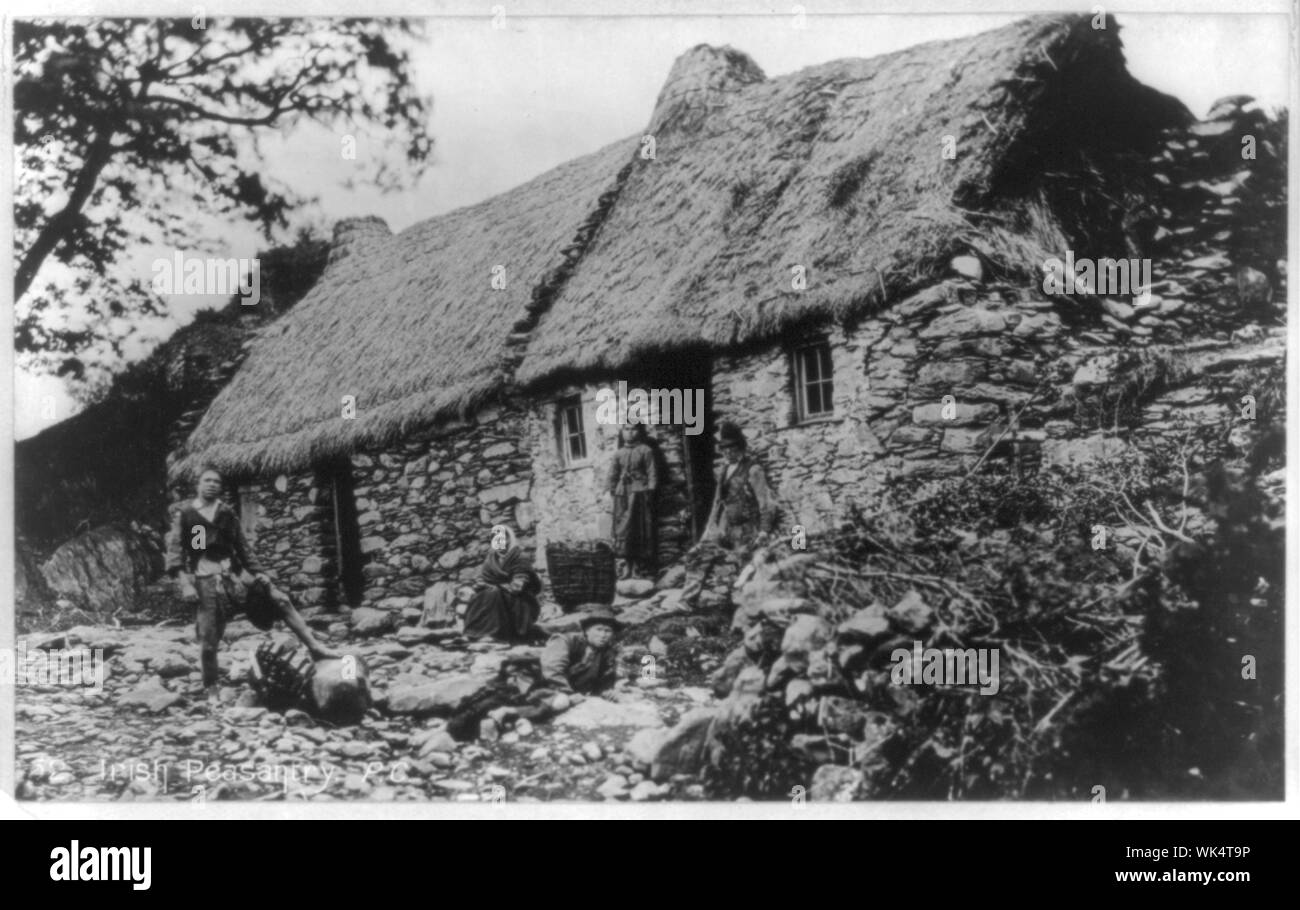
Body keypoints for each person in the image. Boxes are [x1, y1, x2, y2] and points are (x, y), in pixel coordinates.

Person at [166, 467, 339, 699]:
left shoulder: (226, 513)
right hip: (207, 581)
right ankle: (211, 687)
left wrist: (261, 575)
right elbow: (180, 552)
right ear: (198, 485)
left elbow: (244, 550)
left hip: (236, 577)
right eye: (207, 480)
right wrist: (185, 583)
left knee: (280, 599)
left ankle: (315, 647)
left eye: (217, 481)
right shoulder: (189, 516)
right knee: (208, 642)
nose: (212, 485)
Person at [704, 421, 778, 549]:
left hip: (749, 529)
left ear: (740, 448)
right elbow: (717, 502)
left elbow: (765, 502)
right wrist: (709, 528)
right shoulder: (724, 471)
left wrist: (764, 531)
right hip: (728, 528)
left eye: (731, 448)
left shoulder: (753, 469)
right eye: (724, 448)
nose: (727, 452)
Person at [462, 527, 542, 643]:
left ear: (509, 540)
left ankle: (492, 632)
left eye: (502, 539)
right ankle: (473, 632)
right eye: (495, 540)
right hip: (495, 594)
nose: (498, 543)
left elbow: (518, 586)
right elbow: (483, 579)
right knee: (479, 597)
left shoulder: (519, 558)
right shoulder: (491, 559)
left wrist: (497, 587)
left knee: (494, 594)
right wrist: (480, 586)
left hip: (520, 599)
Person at [608, 424, 659, 578]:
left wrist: (650, 490)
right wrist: (610, 491)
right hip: (622, 493)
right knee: (622, 529)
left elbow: (652, 472)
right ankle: (627, 567)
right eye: (626, 429)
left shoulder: (645, 450)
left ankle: (637, 567)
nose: (630, 433)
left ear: (639, 432)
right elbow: (612, 474)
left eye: (633, 429)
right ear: (622, 432)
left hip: (639, 493)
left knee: (637, 529)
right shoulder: (619, 453)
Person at [540, 605, 622, 694]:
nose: (603, 635)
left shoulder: (607, 652)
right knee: (560, 702)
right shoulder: (565, 641)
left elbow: (606, 678)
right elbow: (553, 670)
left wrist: (607, 692)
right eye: (599, 629)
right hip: (546, 688)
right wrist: (568, 693)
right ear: (587, 631)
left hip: (577, 694)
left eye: (608, 631)